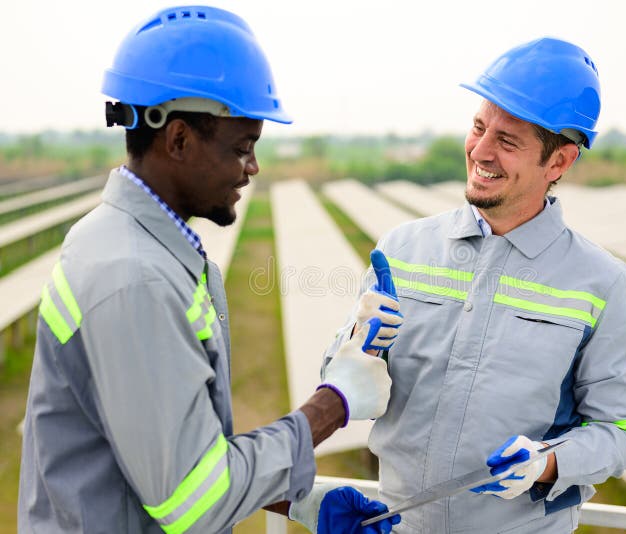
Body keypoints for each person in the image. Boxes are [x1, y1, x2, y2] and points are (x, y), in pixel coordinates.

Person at [18, 6, 402, 534]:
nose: (253, 167)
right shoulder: (135, 279)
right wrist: (331, 405)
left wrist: (300, 499)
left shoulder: (125, 244)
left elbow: (162, 451)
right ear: (178, 140)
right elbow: (191, 500)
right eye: (242, 148)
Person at [324, 37, 626, 533]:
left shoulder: (601, 283)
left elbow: (621, 431)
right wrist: (352, 353)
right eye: (479, 128)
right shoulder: (403, 250)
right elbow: (338, 377)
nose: (482, 150)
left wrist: (548, 463)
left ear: (558, 162)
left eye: (508, 141)